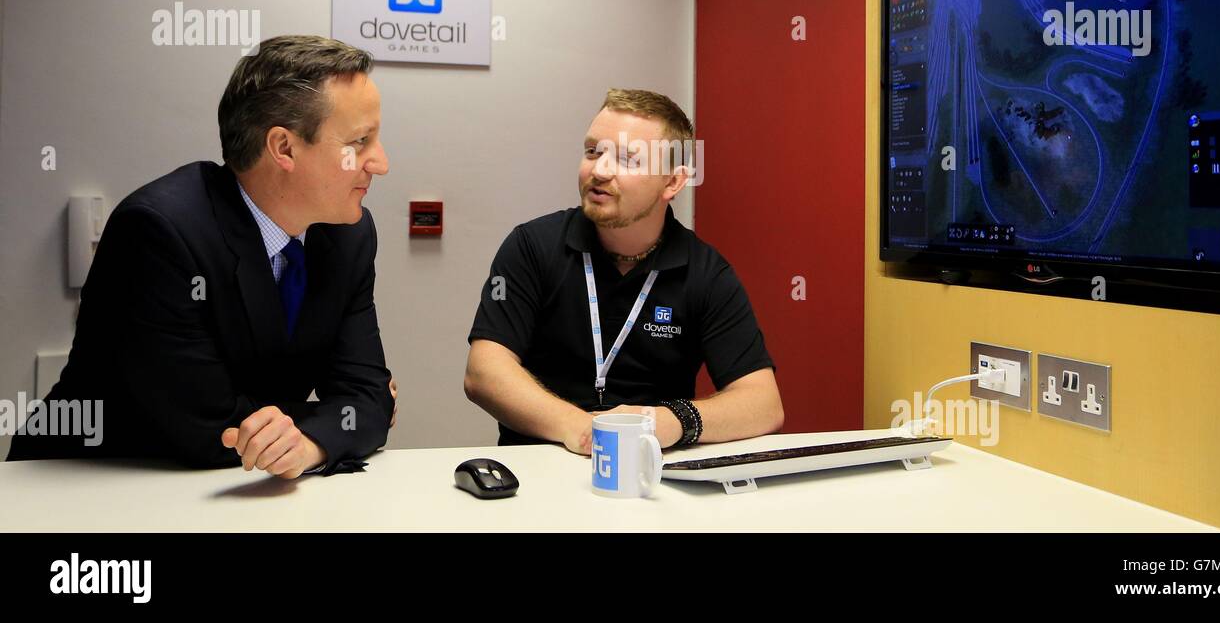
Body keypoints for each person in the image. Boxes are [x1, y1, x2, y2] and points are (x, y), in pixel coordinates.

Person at [7, 35, 395, 478]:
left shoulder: (348, 235)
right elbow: (204, 425)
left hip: (235, 486)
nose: (380, 162)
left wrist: (311, 442)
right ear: (283, 148)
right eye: (360, 141)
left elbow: (366, 393)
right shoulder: (160, 231)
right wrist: (340, 419)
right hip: (90, 484)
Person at [464, 88, 783, 453]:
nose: (599, 170)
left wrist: (673, 420)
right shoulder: (532, 246)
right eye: (592, 151)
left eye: (628, 160)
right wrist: (582, 429)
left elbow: (764, 404)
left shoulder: (706, 272)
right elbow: (483, 373)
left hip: (650, 471)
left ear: (674, 182)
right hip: (539, 467)